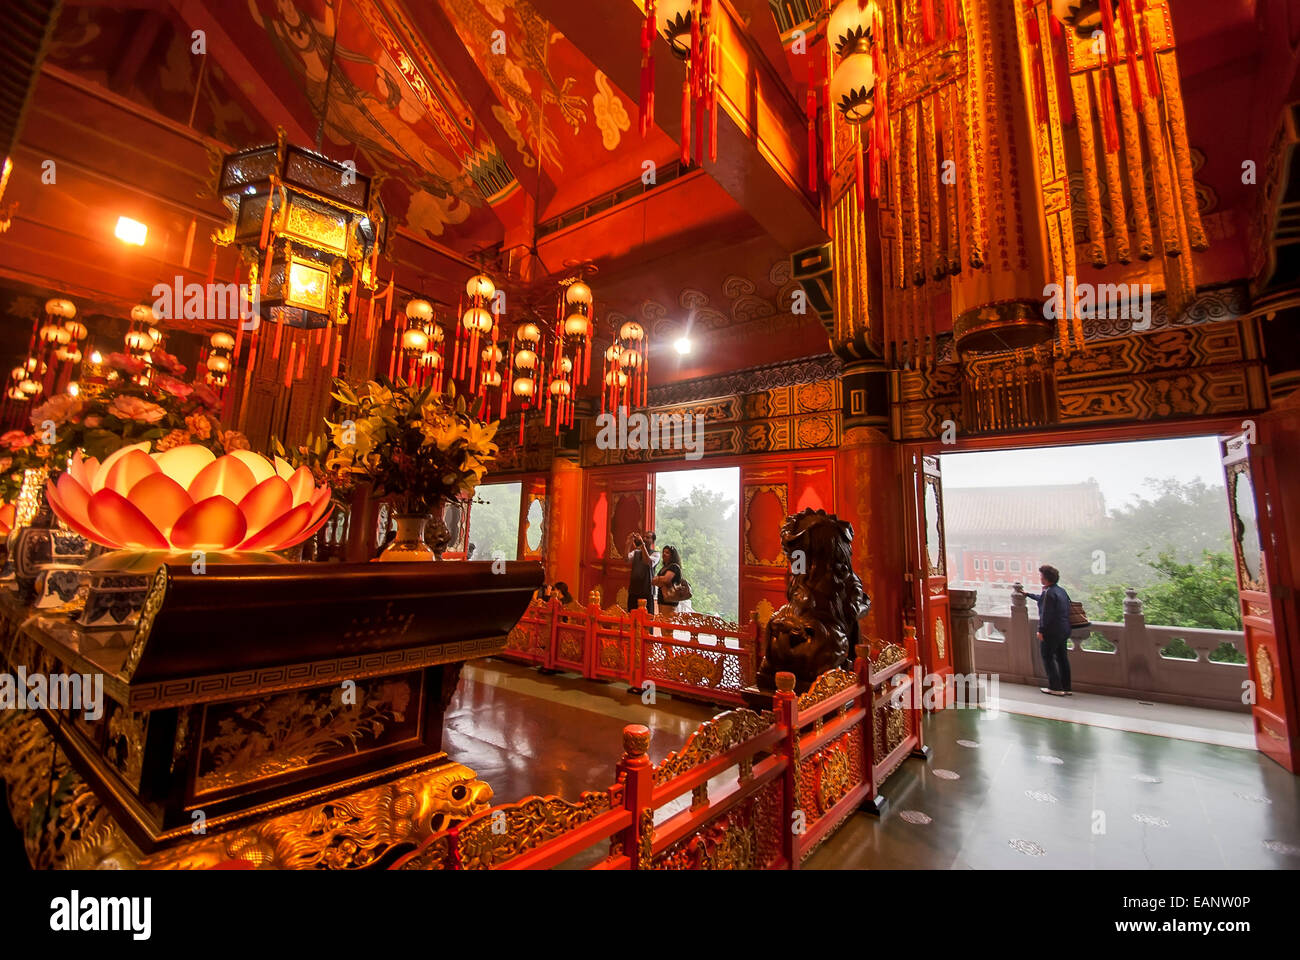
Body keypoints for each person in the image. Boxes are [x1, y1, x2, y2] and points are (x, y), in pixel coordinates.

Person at [1024, 564, 1072, 697]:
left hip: (1051, 631)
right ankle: (1066, 687)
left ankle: (1055, 687)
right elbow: (1046, 601)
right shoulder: (1060, 591)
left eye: (1041, 576)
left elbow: (1046, 614)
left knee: (1048, 657)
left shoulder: (1048, 592)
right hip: (1064, 629)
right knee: (1062, 658)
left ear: (1045, 578)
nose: (1040, 578)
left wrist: (1041, 630)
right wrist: (1028, 595)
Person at [625, 531, 659, 614]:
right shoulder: (636, 552)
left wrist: (642, 545)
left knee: (647, 619)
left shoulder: (656, 554)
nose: (644, 539)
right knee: (631, 617)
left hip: (646, 591)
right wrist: (628, 543)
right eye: (644, 537)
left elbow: (648, 562)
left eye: (648, 537)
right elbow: (626, 559)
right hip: (634, 590)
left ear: (653, 541)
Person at [652, 545, 683, 616]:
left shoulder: (674, 567)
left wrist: (658, 579)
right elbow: (653, 581)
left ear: (672, 556)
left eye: (667, 552)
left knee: (667, 624)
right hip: (662, 600)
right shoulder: (664, 568)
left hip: (670, 601)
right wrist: (658, 580)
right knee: (663, 625)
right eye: (663, 552)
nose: (664, 554)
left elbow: (666, 579)